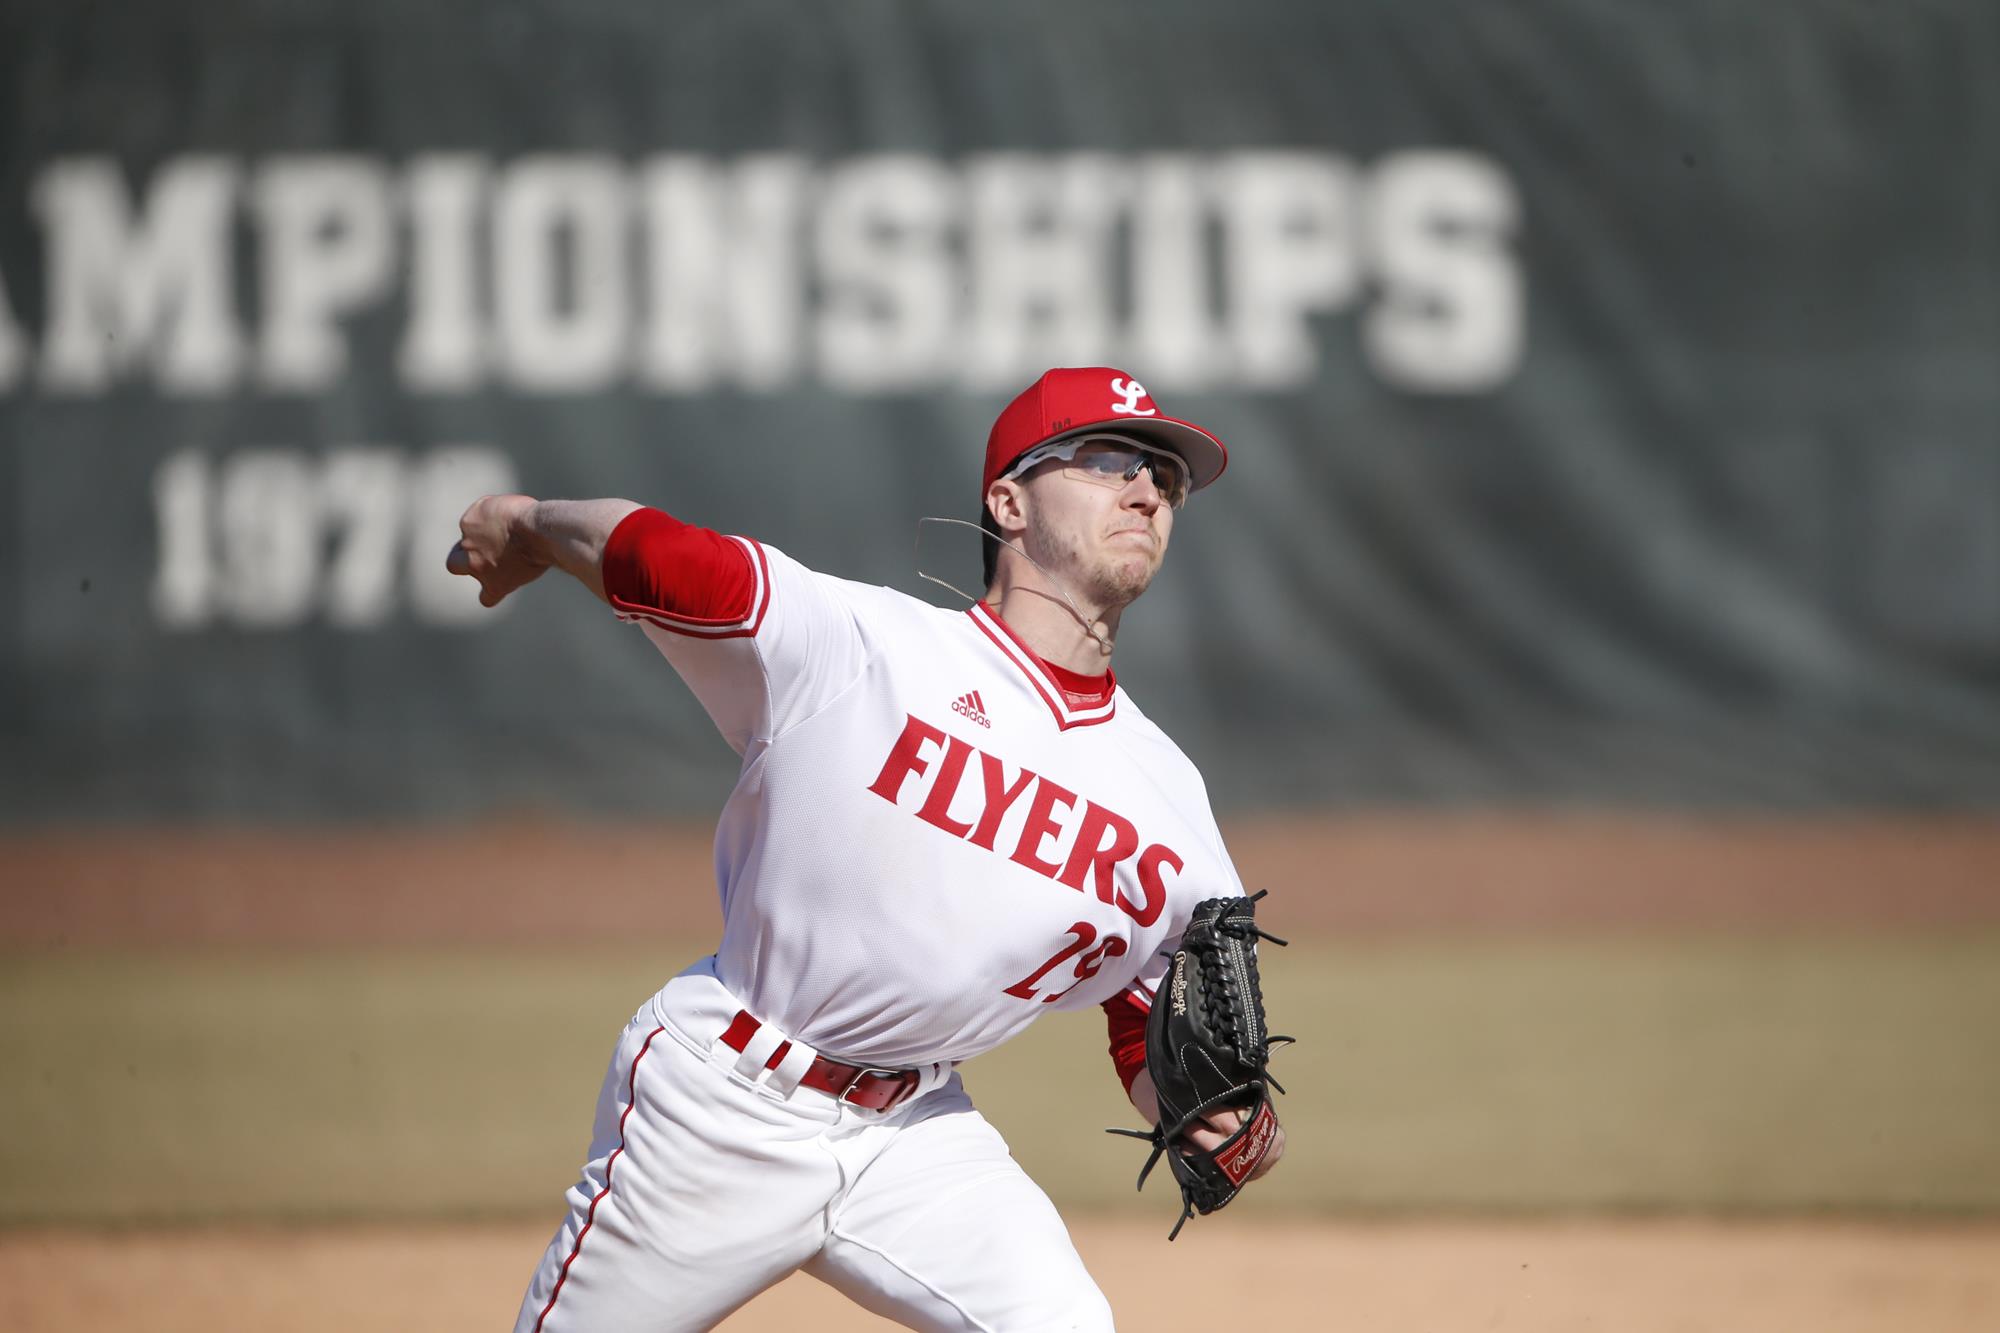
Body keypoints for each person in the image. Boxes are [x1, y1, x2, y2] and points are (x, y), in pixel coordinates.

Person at [448, 366, 1284, 1332]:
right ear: (1007, 501)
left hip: (918, 1140)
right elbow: (657, 553)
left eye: (1163, 479)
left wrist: (1213, 1117)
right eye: (1106, 461)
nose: (1145, 490)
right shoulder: (865, 645)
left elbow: (1149, 1018)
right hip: (723, 1105)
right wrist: (532, 523)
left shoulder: (1168, 794)